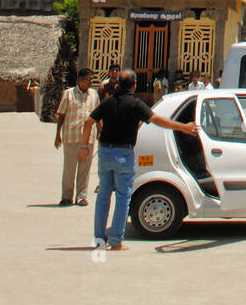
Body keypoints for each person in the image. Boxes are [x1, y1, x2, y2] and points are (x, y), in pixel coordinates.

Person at [77, 68, 200, 252]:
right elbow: (157, 120)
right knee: (122, 197)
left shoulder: (108, 101)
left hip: (105, 153)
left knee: (103, 196)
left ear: (118, 85)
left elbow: (89, 122)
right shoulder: (135, 104)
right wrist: (184, 127)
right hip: (123, 154)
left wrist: (84, 147)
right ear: (134, 85)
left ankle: (99, 239)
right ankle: (116, 241)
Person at [54, 69, 99, 205]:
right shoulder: (68, 94)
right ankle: (66, 197)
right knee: (69, 169)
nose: (90, 82)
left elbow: (98, 115)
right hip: (71, 137)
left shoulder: (94, 95)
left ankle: (81, 197)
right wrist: (57, 135)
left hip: (88, 139)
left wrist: (101, 132)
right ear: (80, 80)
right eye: (88, 79)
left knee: (84, 170)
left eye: (91, 79)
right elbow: (61, 115)